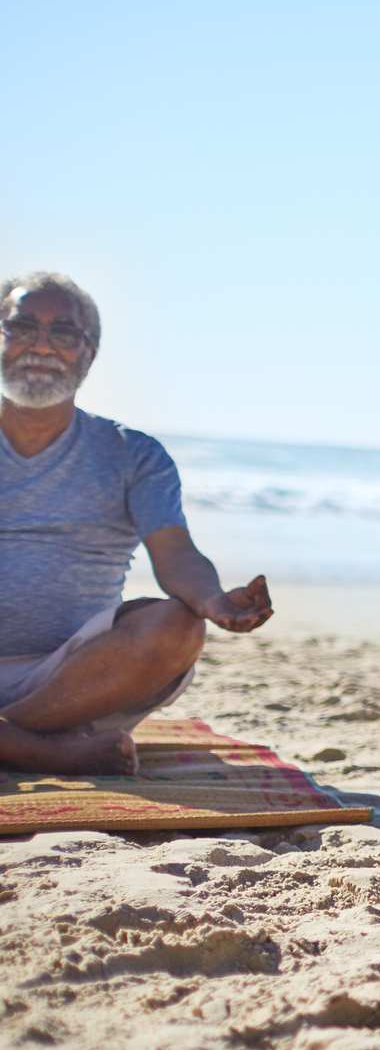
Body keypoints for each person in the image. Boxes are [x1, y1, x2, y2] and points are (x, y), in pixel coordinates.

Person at [1, 272, 274, 775]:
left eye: (63, 332)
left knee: (176, 626)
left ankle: (12, 735)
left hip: (73, 678)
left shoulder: (132, 454)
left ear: (89, 353)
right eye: (22, 328)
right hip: (61, 717)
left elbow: (174, 552)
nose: (41, 344)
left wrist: (212, 600)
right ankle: (41, 751)